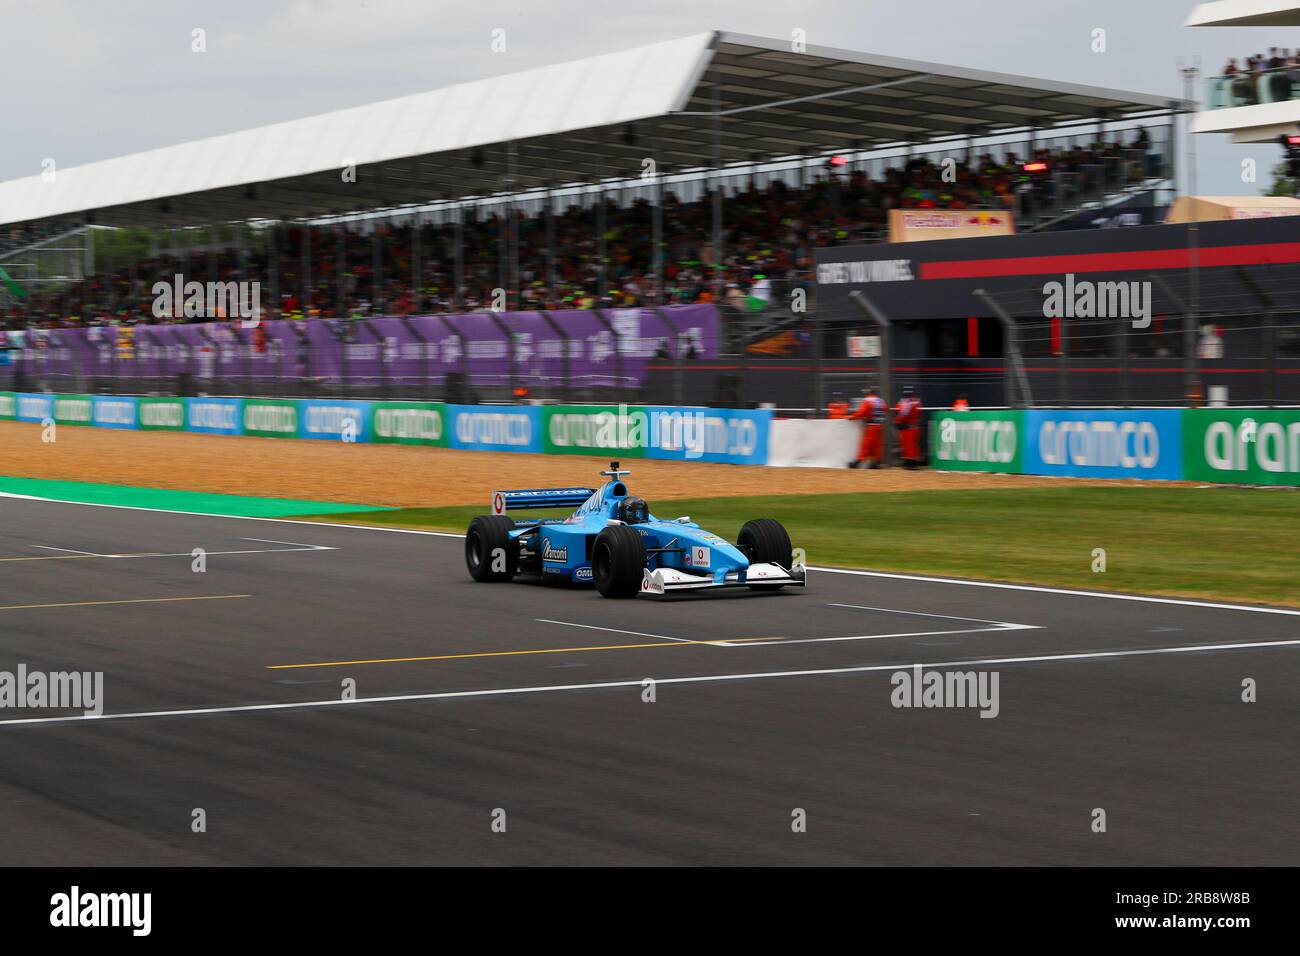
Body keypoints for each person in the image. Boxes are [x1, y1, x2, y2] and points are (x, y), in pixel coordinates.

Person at [847, 385, 888, 468]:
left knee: (866, 445)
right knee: (877, 445)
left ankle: (858, 462)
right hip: (879, 425)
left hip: (871, 425)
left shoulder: (867, 400)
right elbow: (886, 409)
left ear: (869, 392)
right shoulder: (881, 401)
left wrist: (851, 417)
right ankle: (876, 463)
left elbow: (861, 413)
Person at [893, 385, 924, 469]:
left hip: (907, 427)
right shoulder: (917, 401)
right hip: (915, 426)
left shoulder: (906, 402)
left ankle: (910, 464)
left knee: (908, 445)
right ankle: (914, 463)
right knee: (914, 445)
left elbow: (903, 413)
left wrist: (896, 421)